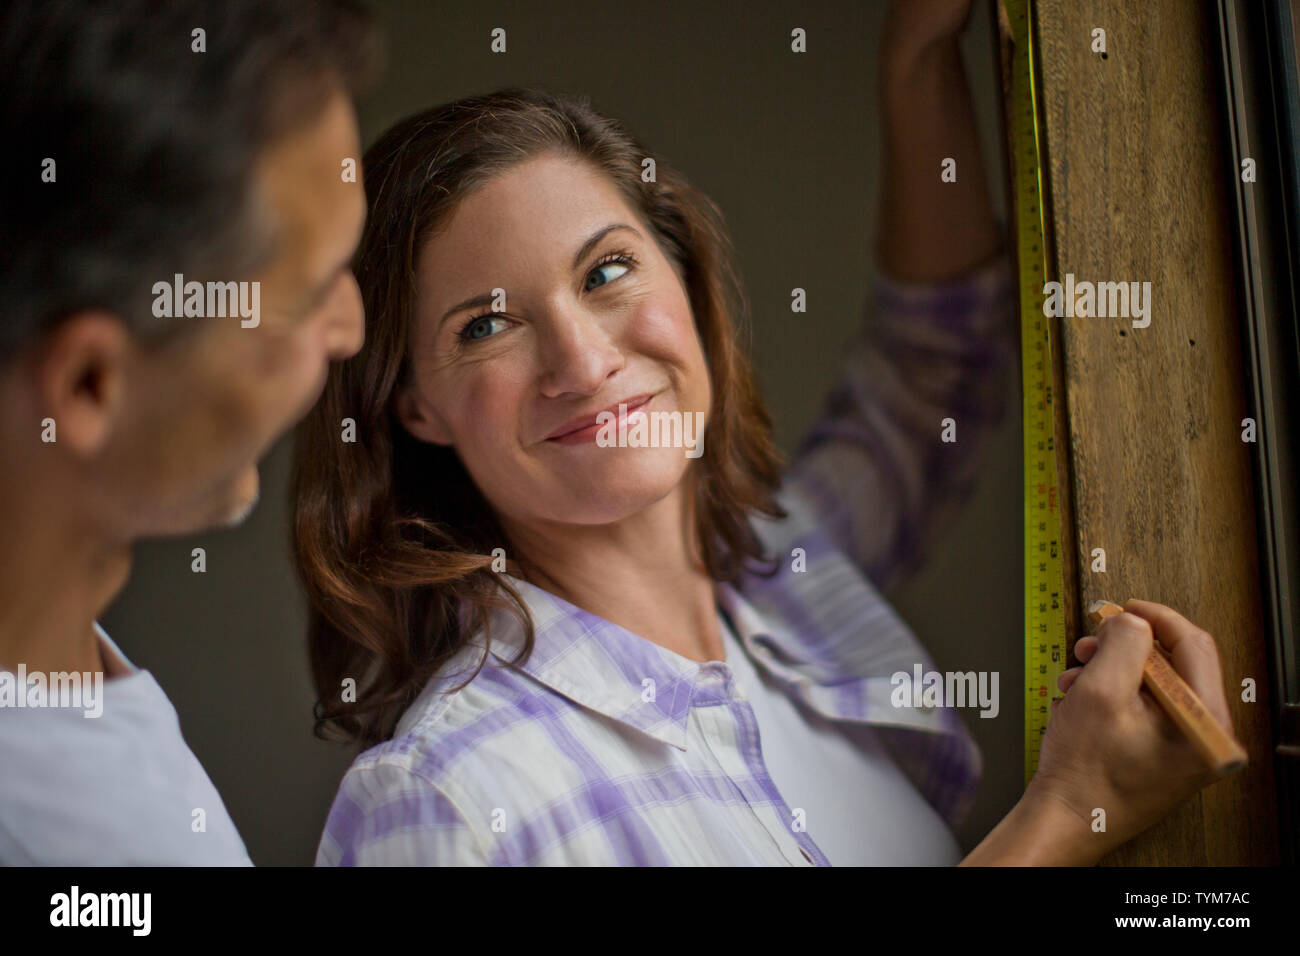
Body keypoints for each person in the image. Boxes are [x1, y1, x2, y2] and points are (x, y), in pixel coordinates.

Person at [293, 4, 1238, 865]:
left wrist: (917, 54)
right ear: (412, 404)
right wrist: (1067, 816)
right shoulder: (441, 802)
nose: (581, 363)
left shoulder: (790, 580)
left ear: (685, 282)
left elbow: (929, 375)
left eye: (606, 272)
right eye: (485, 326)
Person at [0, 0, 377, 864]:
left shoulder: (69, 682)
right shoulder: (68, 847)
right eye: (312, 292)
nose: (351, 327)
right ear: (91, 384)